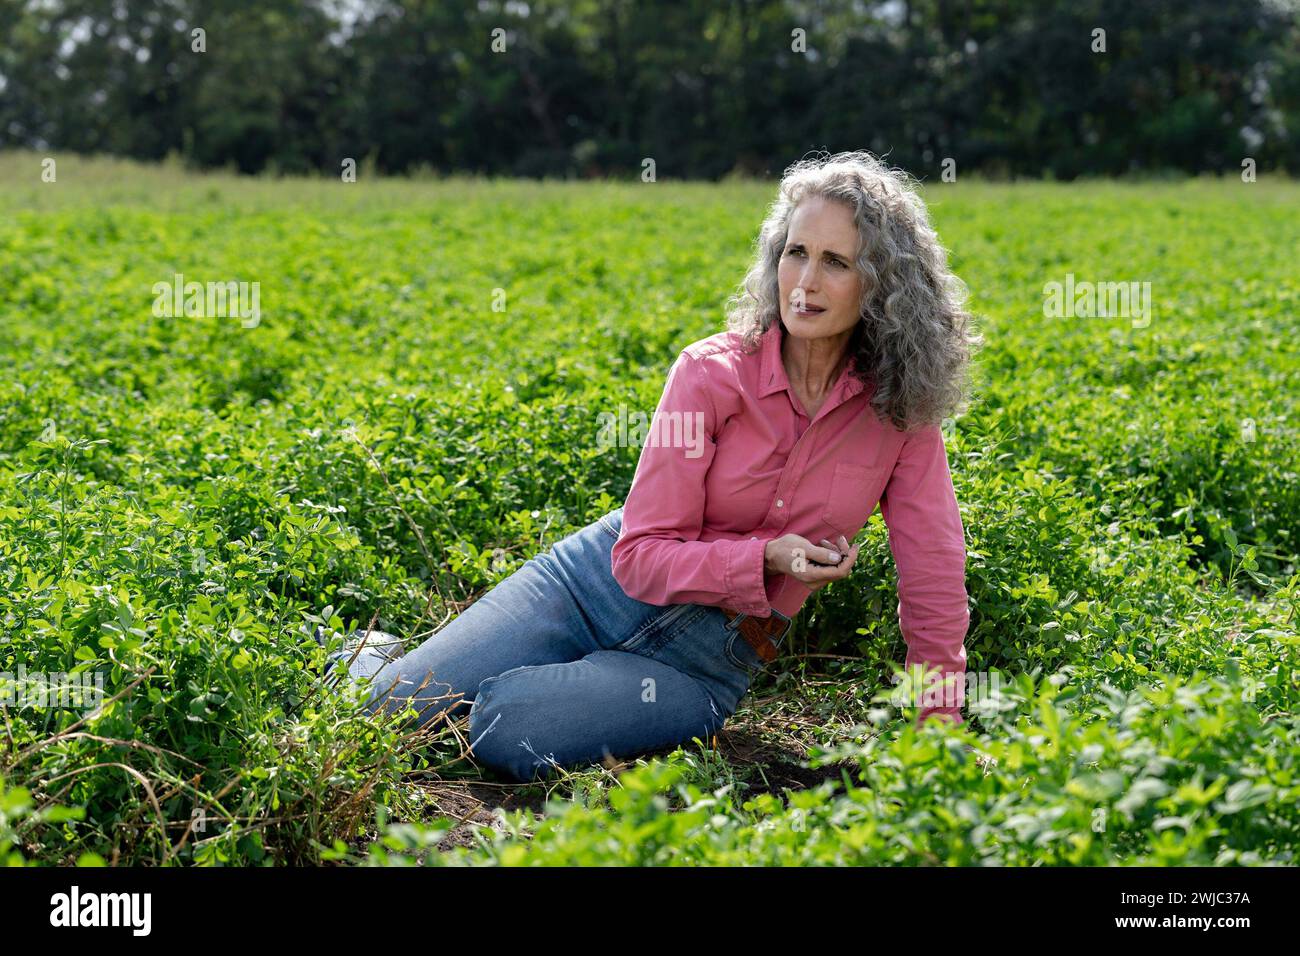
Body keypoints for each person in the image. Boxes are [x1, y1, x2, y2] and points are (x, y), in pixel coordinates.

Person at [320, 150, 982, 783]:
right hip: (592, 590)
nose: (804, 282)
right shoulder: (710, 374)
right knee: (380, 714)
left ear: (881, 288)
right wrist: (766, 560)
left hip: (705, 664)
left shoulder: (899, 416)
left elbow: (934, 581)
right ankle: (377, 664)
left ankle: (506, 679)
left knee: (504, 728)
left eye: (835, 262)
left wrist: (939, 729)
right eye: (795, 252)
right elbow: (639, 556)